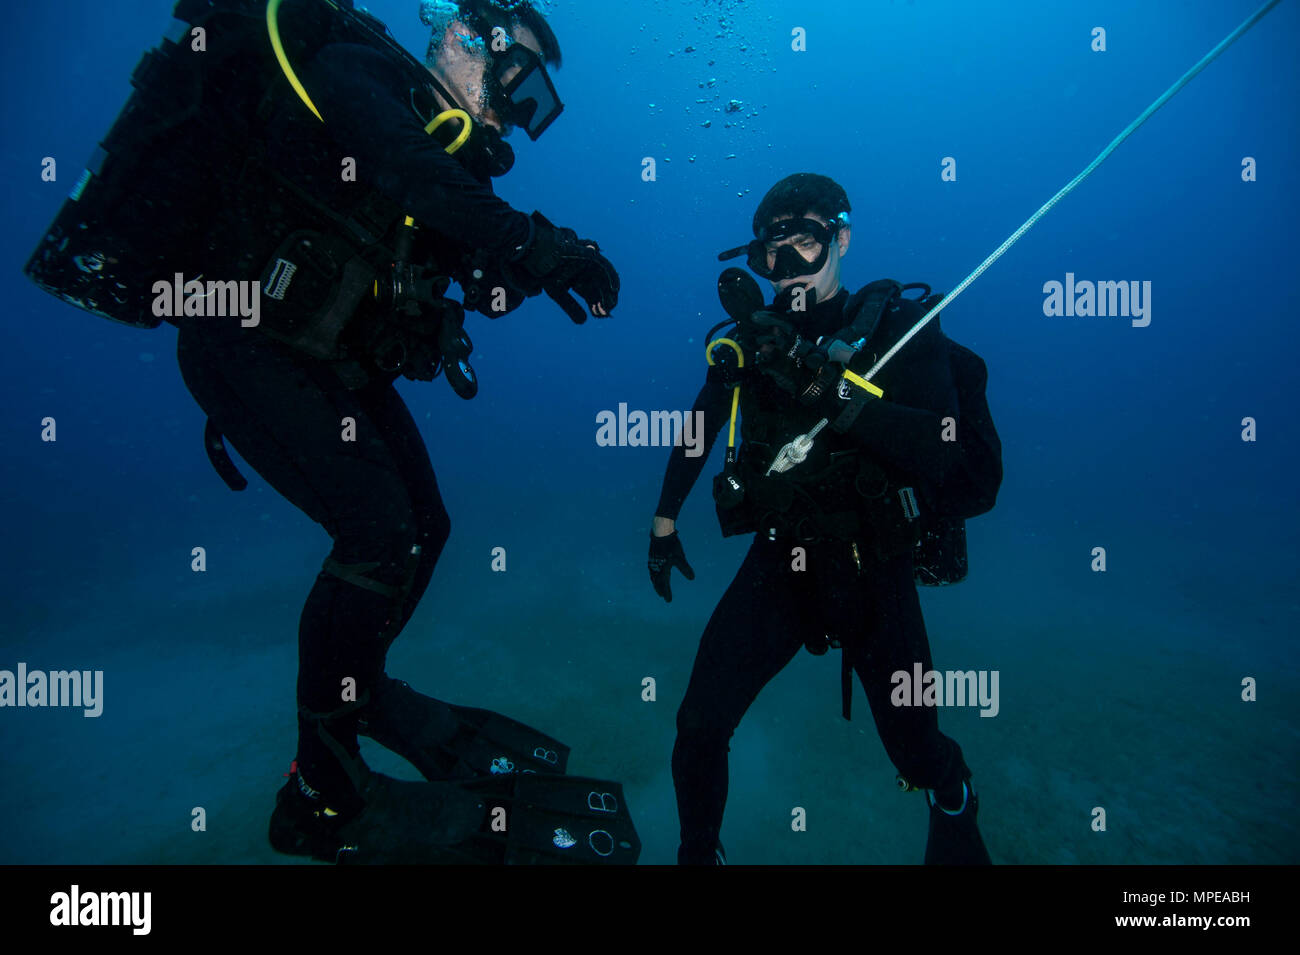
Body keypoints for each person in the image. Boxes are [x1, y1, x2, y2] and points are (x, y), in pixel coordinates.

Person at [26, 0, 636, 864]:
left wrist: (525, 268)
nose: (517, 111)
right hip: (243, 344)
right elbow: (410, 171)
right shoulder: (360, 71)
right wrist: (540, 244)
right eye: (519, 81)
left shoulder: (438, 140)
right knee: (378, 533)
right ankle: (321, 790)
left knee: (427, 528)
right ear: (464, 37)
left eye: (534, 99)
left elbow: (452, 237)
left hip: (322, 355)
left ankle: (360, 690)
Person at [648, 172, 1002, 865]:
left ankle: (953, 791)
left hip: (877, 565)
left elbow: (942, 448)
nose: (786, 270)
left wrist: (827, 383)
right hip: (783, 560)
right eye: (770, 255)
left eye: (804, 244)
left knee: (916, 748)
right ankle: (697, 854)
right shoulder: (755, 340)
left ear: (842, 237)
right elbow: (701, 423)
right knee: (698, 722)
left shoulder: (901, 331)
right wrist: (664, 520)